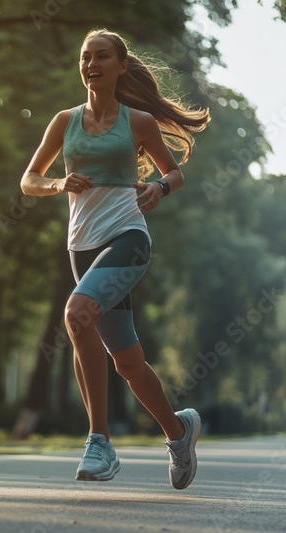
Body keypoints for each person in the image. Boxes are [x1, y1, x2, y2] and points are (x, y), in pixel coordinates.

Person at [20, 29, 210, 489]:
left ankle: (99, 442)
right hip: (81, 248)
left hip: (127, 239)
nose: (91, 64)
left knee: (75, 312)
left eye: (102, 56)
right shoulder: (63, 121)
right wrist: (56, 185)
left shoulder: (138, 122)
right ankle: (179, 432)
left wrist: (158, 188)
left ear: (121, 65)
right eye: (86, 57)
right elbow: (29, 179)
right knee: (127, 363)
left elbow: (174, 173)